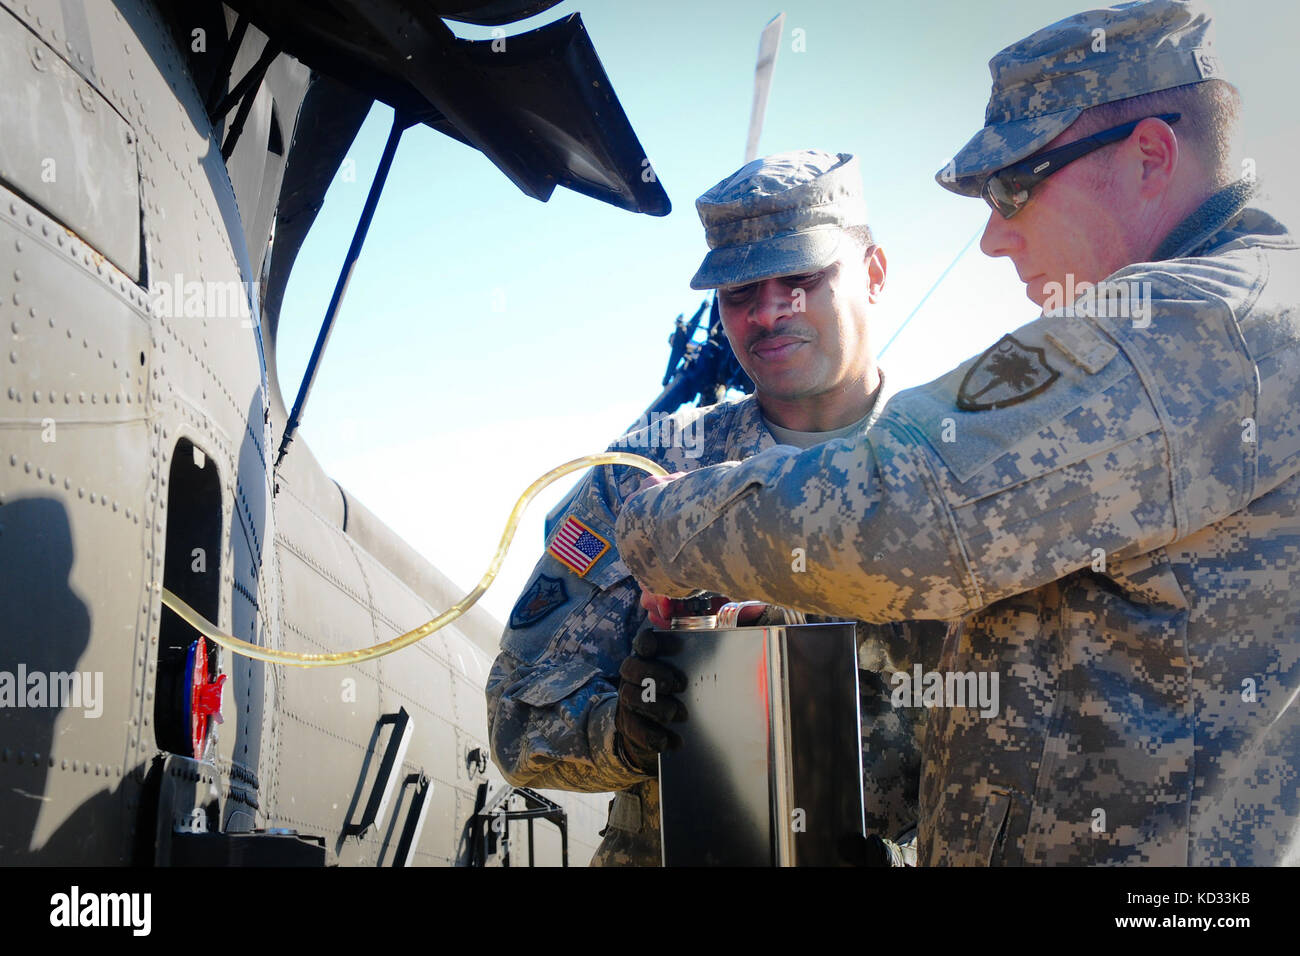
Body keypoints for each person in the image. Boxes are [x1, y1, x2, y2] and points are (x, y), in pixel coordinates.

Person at [613, 0, 1300, 866]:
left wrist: (662, 524)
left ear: (1150, 158)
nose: (991, 236)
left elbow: (908, 505)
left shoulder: (1197, 325)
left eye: (1016, 186)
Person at [486, 149, 940, 866]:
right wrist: (622, 734)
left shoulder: (956, 469)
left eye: (799, 280)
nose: (767, 313)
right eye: (738, 292)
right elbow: (518, 719)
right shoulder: (645, 472)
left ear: (873, 274)